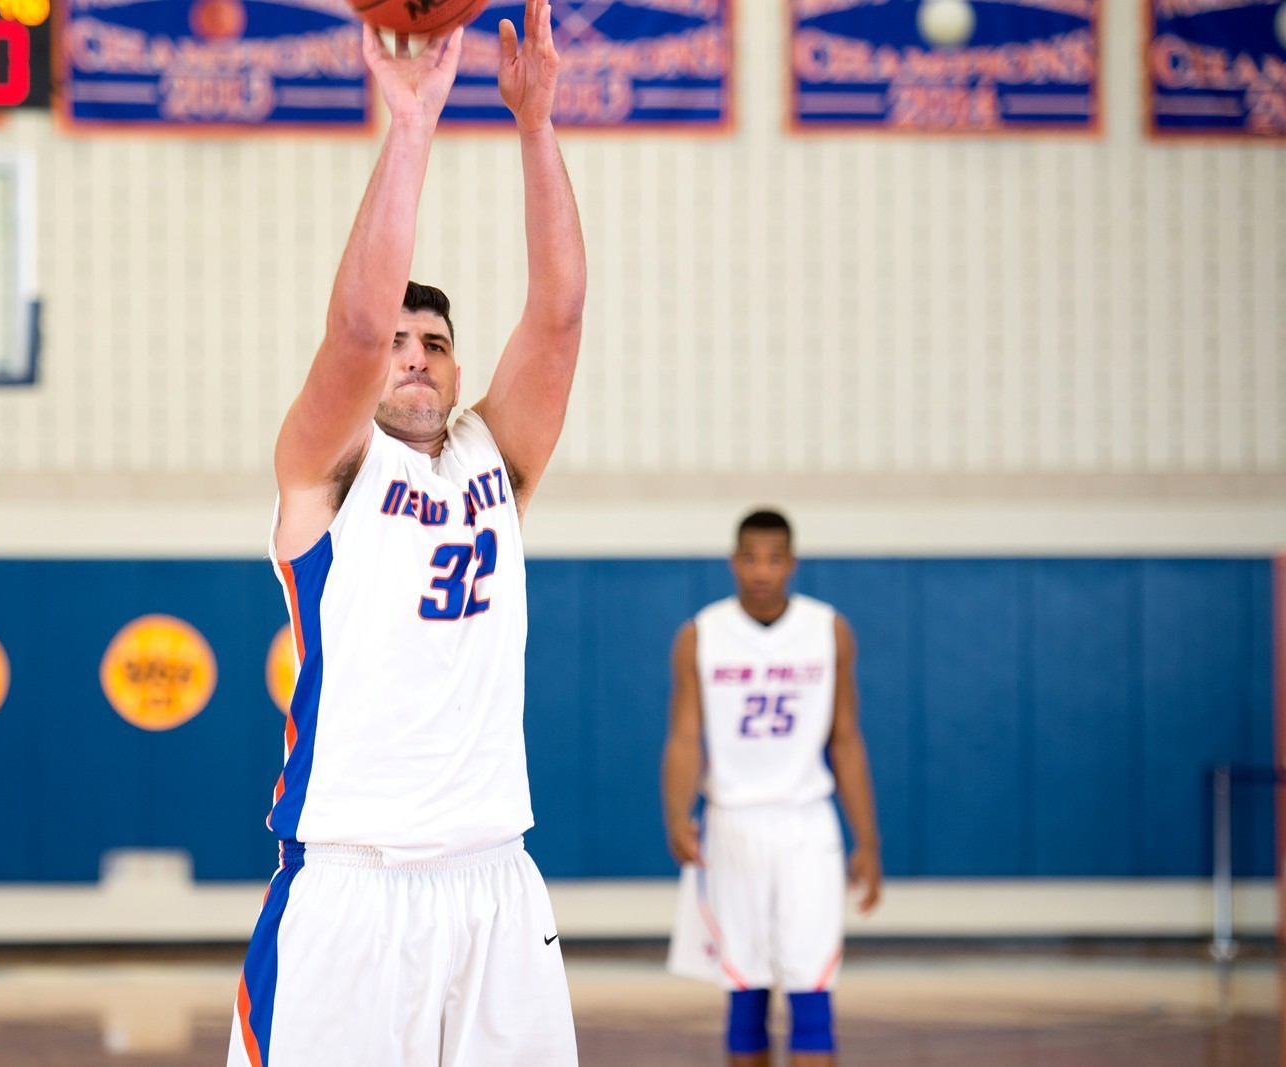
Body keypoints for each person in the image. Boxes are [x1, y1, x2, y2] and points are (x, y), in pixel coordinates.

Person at [227, 2, 585, 1064]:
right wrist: (414, 125)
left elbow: (560, 314)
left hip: (495, 872)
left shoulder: (495, 462)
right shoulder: (326, 468)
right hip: (352, 878)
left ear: (460, 369)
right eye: (399, 342)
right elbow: (350, 328)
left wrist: (535, 125)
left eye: (434, 339)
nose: (414, 352)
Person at [661, 508, 882, 1066]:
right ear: (733, 562)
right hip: (732, 822)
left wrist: (868, 840)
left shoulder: (828, 630)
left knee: (812, 991)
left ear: (792, 563)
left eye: (774, 559)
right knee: (744, 992)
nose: (762, 571)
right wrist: (677, 815)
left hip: (807, 822)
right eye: (751, 558)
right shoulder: (700, 635)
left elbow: (846, 739)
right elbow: (685, 736)